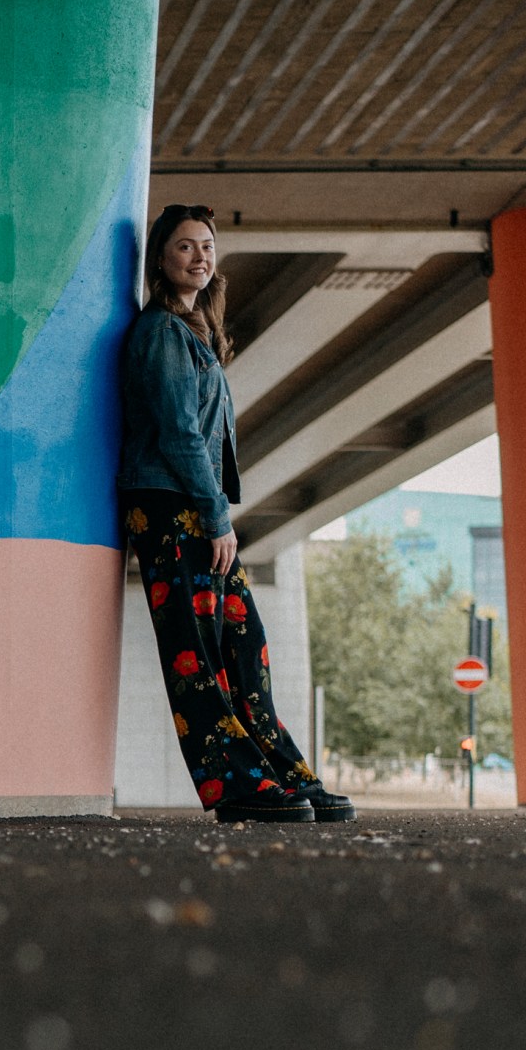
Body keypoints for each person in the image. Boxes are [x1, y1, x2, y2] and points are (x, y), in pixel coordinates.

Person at [120, 204, 351, 825]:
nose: (200, 256)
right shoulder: (161, 333)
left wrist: (215, 513)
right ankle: (236, 785)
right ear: (161, 261)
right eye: (185, 247)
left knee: (243, 642)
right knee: (196, 653)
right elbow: (178, 435)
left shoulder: (193, 330)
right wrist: (217, 515)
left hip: (194, 505)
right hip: (173, 506)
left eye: (207, 247)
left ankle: (281, 772)